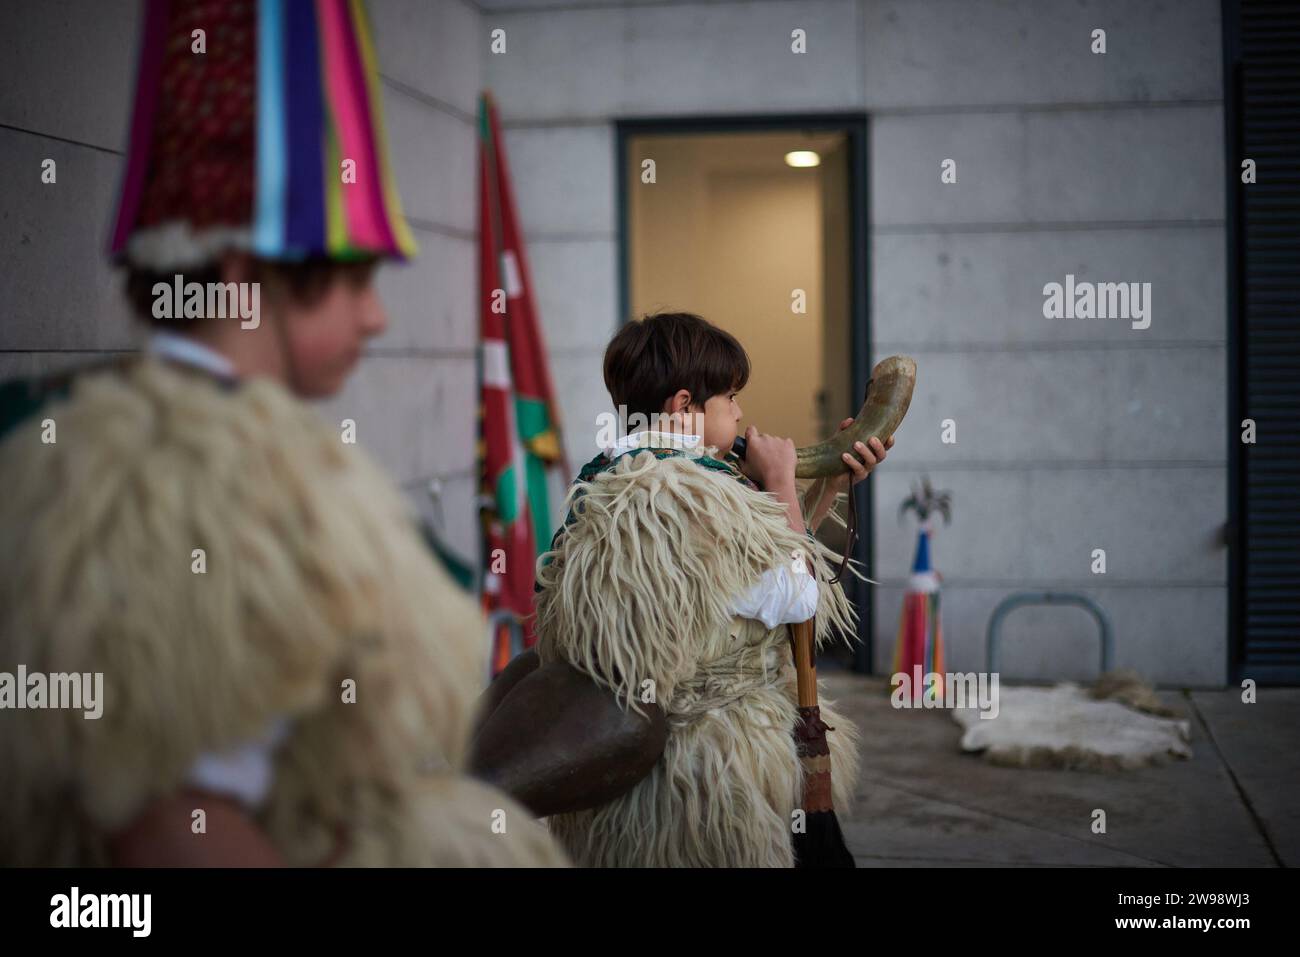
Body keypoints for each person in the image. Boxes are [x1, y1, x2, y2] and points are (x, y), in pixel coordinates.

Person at [0, 0, 565, 867]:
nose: (378, 316)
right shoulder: (196, 481)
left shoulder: (93, 436)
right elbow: (175, 825)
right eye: (353, 278)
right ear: (244, 265)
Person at [526, 311, 892, 867]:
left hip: (625, 763)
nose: (741, 413)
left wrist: (829, 481)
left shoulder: (612, 478)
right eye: (729, 398)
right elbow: (796, 595)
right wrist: (779, 486)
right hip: (710, 770)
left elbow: (751, 577)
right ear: (683, 405)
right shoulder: (692, 492)